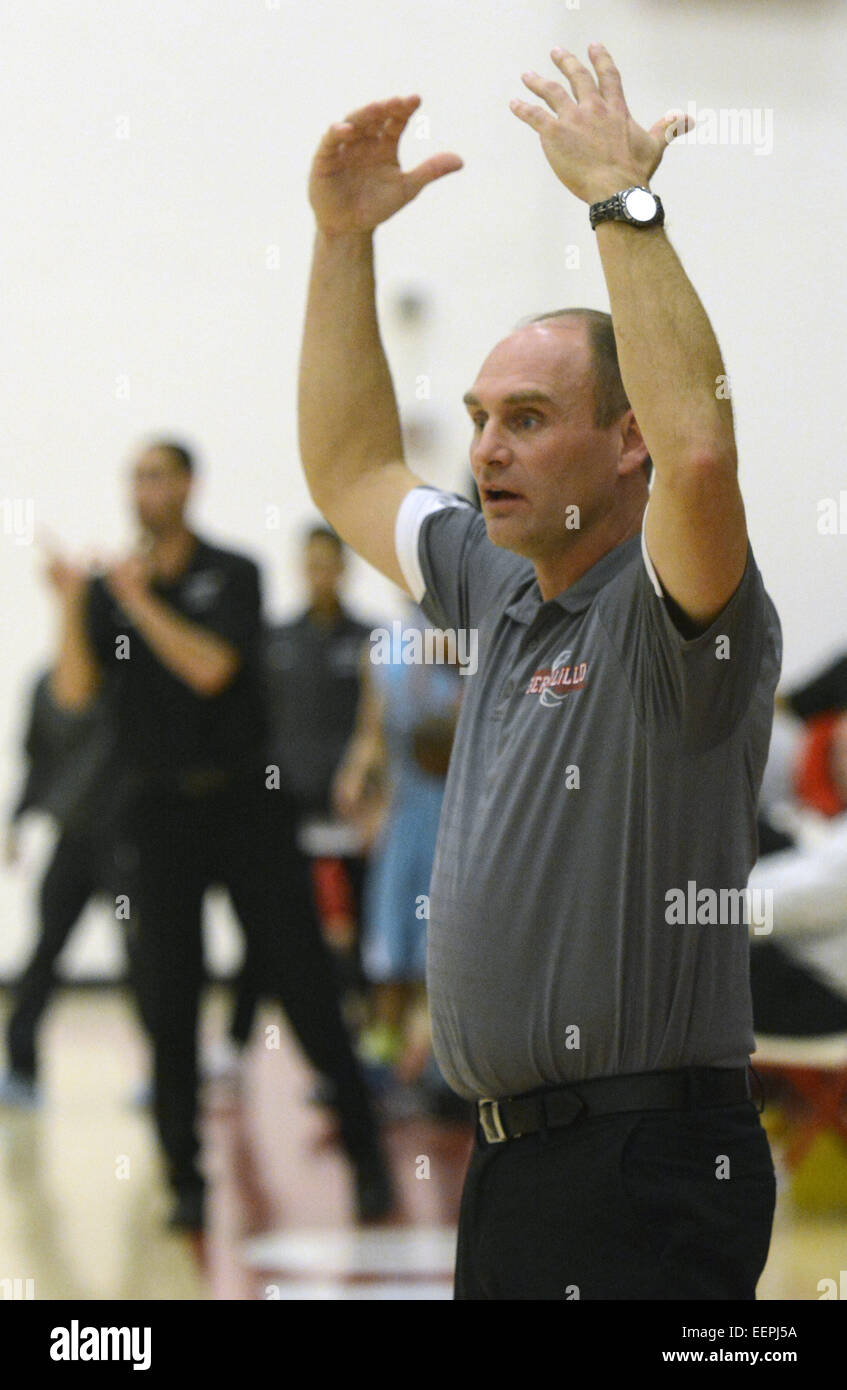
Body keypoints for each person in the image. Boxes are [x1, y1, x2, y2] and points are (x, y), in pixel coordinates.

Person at [298, 45, 781, 1299]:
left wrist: (620, 204)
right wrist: (341, 241)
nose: (484, 451)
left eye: (525, 418)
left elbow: (704, 456)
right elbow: (350, 469)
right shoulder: (498, 582)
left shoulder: (676, 604)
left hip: (647, 1164)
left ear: (623, 445)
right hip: (512, 1162)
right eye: (475, 417)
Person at [48, 440, 392, 1230]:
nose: (145, 489)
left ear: (188, 485)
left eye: (158, 475)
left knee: (302, 978)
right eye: (134, 476)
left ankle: (369, 1161)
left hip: (245, 806)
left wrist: (137, 604)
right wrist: (73, 603)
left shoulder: (231, 573)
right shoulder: (109, 590)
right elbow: (73, 692)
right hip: (157, 813)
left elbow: (211, 669)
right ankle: (185, 1184)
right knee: (168, 998)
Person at [0, 652, 127, 1106]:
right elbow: (39, 756)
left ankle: (168, 1071)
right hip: (72, 841)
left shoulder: (128, 675)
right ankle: (21, 1067)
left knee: (147, 956)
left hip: (125, 842)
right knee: (46, 950)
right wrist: (17, 818)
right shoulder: (47, 683)